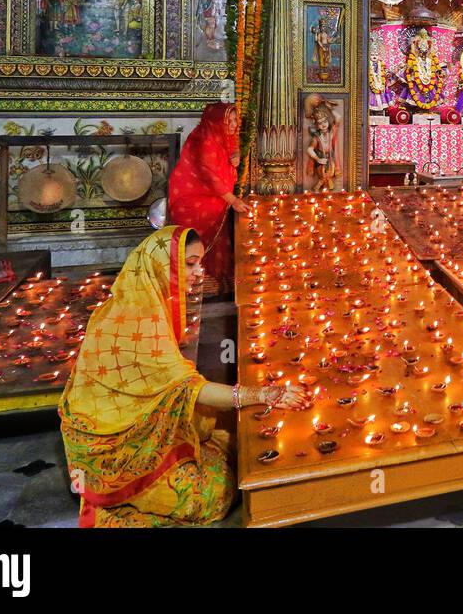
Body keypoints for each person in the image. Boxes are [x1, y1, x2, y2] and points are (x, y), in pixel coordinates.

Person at [59, 226, 310, 527]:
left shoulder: (144, 301)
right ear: (158, 263)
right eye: (189, 263)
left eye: (199, 263)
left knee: (229, 429)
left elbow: (170, 384)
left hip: (131, 424)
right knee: (214, 495)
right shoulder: (134, 319)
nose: (198, 272)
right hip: (110, 453)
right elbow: (187, 386)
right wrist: (261, 395)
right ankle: (116, 500)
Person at [167, 103, 248, 293]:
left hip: (214, 201)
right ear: (216, 123)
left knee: (216, 243)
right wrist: (233, 200)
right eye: (229, 121)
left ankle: (212, 282)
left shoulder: (223, 138)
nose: (234, 124)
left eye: (236, 120)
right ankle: (193, 286)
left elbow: (228, 155)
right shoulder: (205, 141)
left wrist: (235, 156)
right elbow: (209, 176)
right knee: (196, 246)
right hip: (194, 202)